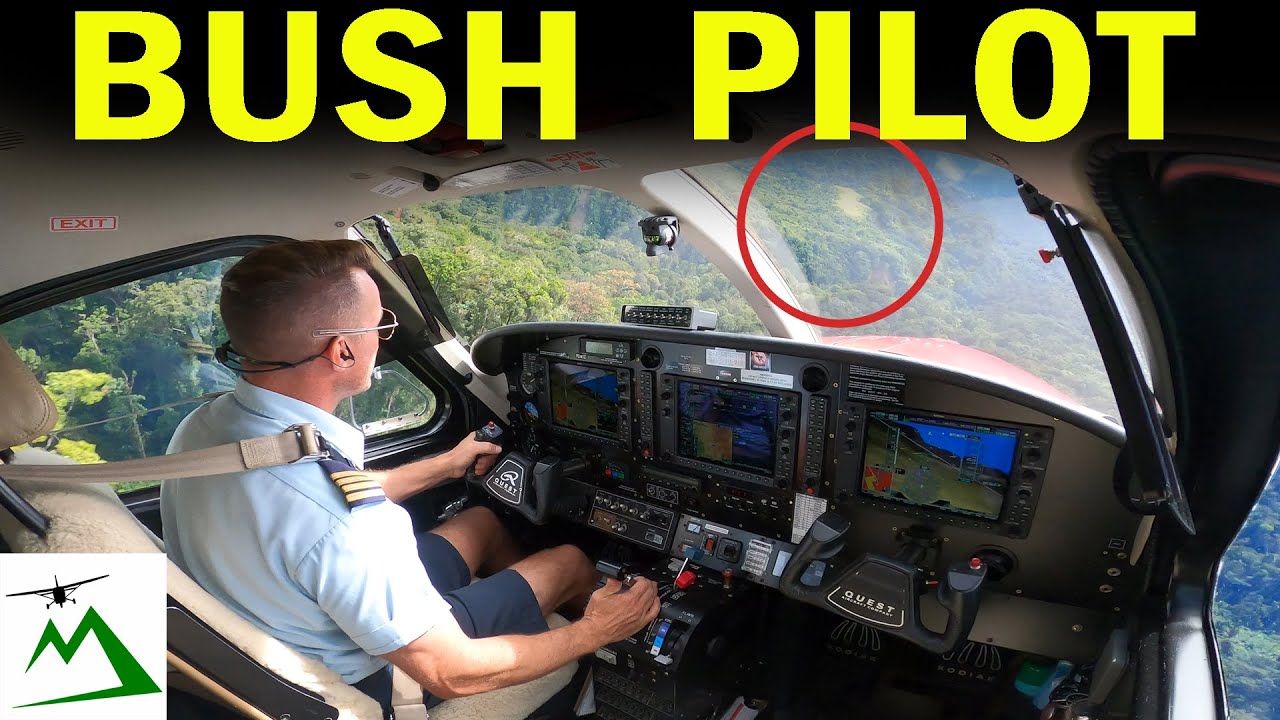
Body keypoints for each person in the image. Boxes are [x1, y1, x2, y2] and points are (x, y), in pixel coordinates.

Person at [160, 239, 661, 717]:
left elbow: (316, 507)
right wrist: (596, 629)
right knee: (570, 561)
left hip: (277, 614)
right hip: (369, 676)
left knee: (482, 523)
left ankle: (521, 610)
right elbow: (451, 672)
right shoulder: (349, 526)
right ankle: (614, 655)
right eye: (379, 325)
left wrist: (447, 464)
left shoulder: (206, 431)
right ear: (342, 352)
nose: (383, 336)